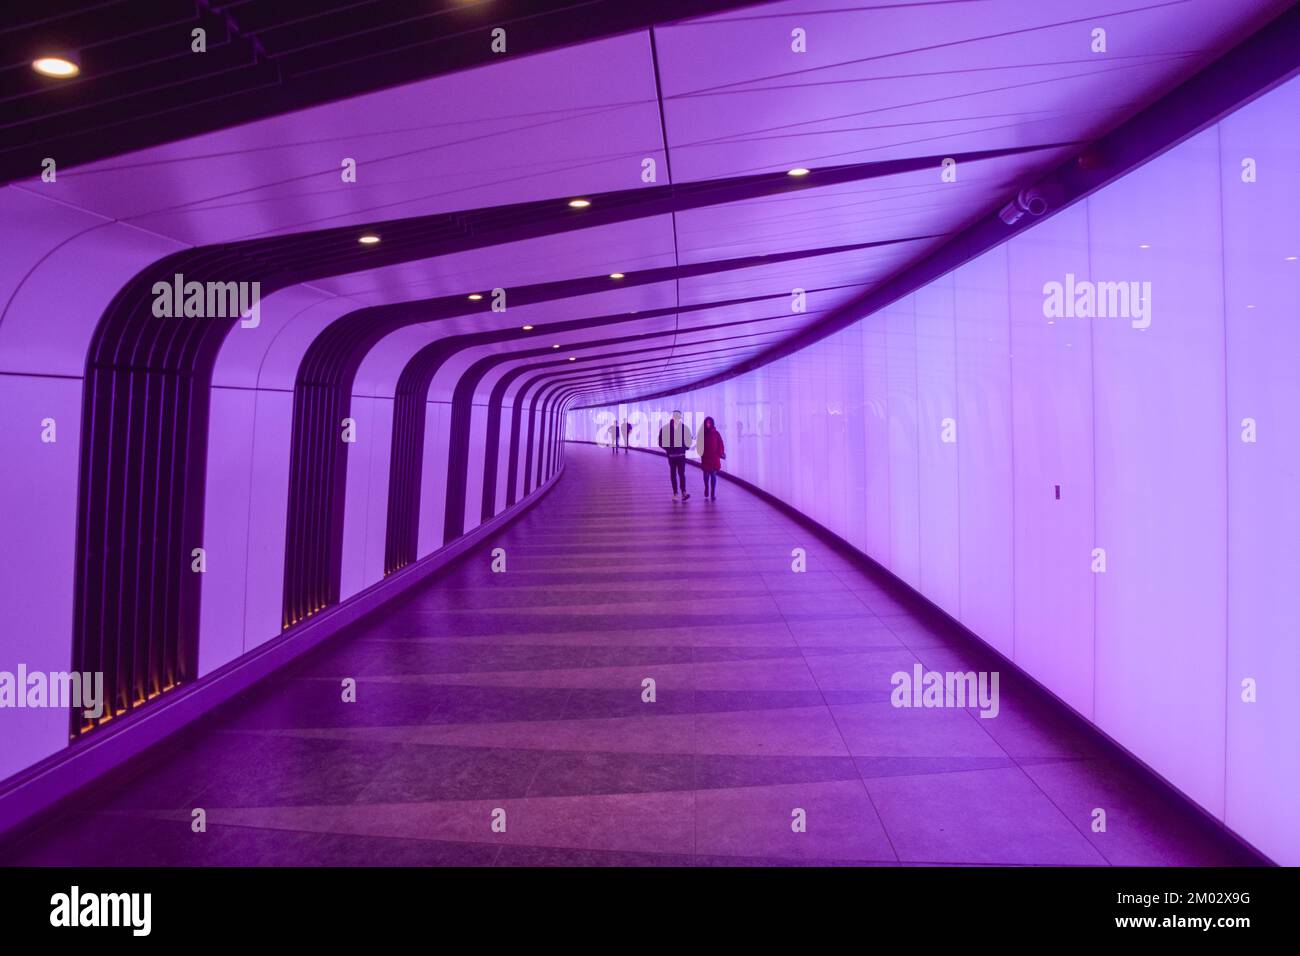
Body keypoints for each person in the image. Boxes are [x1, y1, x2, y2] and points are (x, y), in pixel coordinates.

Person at [657, 410, 693, 499]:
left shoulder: (684, 428)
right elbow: (661, 441)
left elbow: (689, 439)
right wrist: (668, 449)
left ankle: (683, 492)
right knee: (674, 474)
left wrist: (684, 448)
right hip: (673, 456)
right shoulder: (666, 429)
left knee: (681, 474)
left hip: (680, 455)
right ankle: (676, 493)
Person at [696, 416, 725, 499]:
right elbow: (699, 444)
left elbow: (720, 444)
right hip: (706, 457)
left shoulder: (716, 433)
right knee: (706, 475)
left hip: (714, 457)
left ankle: (712, 493)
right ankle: (706, 488)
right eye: (706, 423)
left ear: (712, 423)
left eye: (709, 423)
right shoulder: (702, 434)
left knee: (713, 475)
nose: (708, 424)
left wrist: (720, 453)